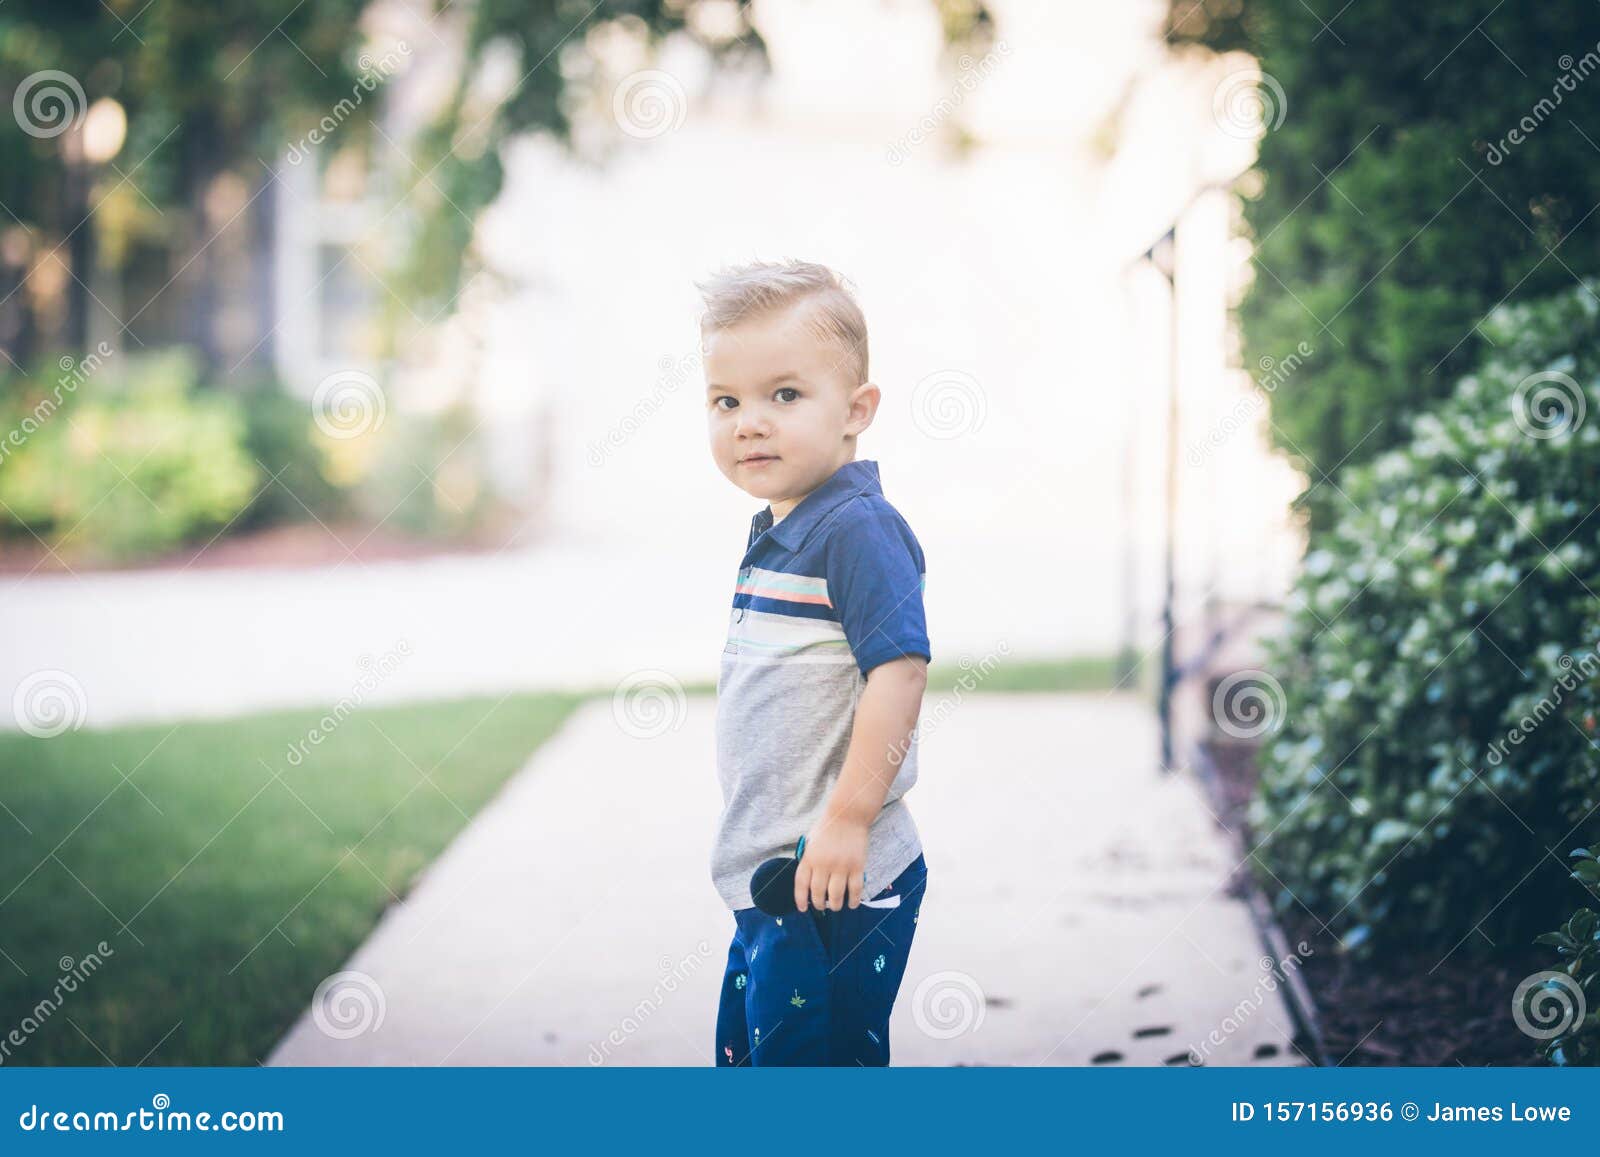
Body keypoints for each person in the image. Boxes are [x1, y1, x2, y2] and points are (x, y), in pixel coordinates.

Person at [697, 258, 931, 1066]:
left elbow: (898, 674)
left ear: (856, 411)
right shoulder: (782, 530)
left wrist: (848, 819)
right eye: (726, 400)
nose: (748, 422)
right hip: (774, 882)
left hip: (835, 881)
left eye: (783, 395)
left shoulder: (857, 529)